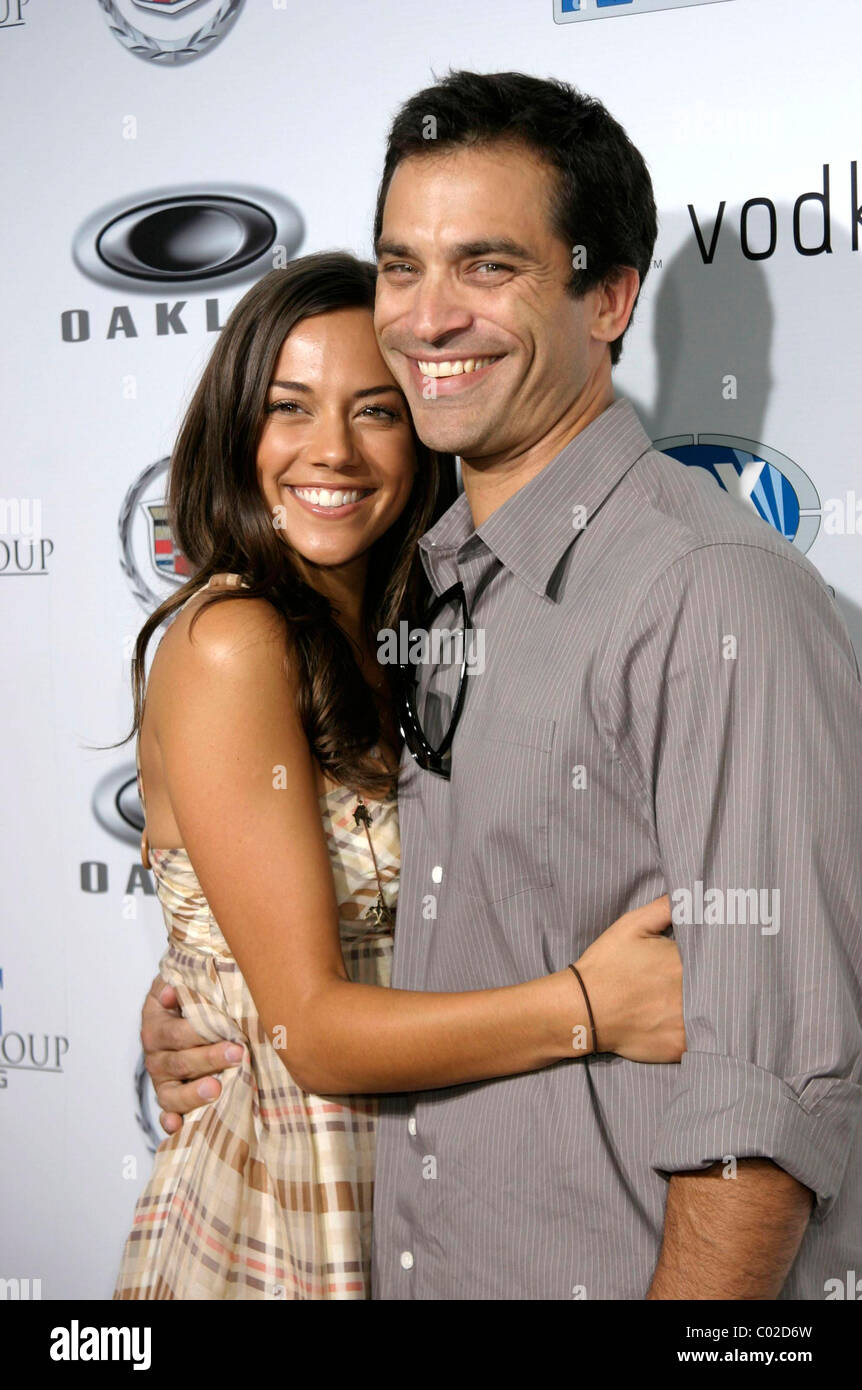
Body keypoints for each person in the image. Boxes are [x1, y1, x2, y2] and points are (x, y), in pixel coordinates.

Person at [143, 73, 862, 1301]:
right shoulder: (428, 592)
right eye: (402, 266)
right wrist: (205, 1004)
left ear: (608, 298)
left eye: (487, 266)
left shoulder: (709, 593)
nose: (428, 318)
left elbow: (765, 1099)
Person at [114, 250, 685, 1301]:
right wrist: (591, 1008)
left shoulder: (425, 634)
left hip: (446, 1184)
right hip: (291, 1202)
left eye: (374, 410)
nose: (331, 449)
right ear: (234, 430)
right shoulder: (232, 642)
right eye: (288, 407)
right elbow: (312, 1032)